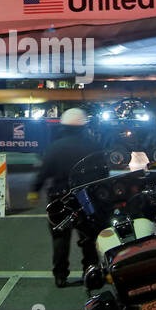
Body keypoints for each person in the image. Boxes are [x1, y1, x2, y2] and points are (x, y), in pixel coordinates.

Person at [28, 108, 104, 287]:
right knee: (89, 238)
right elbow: (103, 174)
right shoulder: (93, 146)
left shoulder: (55, 147)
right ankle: (90, 272)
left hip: (59, 199)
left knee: (60, 238)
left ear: (63, 127)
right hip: (86, 198)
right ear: (84, 127)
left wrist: (34, 191)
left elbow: (44, 172)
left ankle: (60, 276)